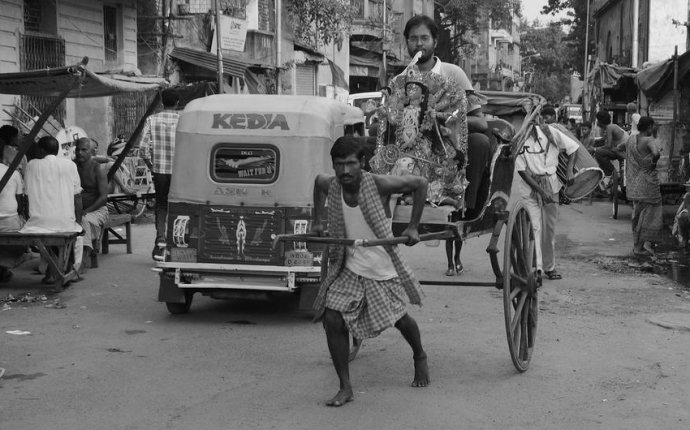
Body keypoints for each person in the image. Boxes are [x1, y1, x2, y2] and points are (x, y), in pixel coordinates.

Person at [311, 136, 429, 407]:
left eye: (351, 164)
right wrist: (317, 221)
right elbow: (317, 182)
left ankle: (419, 354)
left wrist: (413, 227)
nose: (345, 171)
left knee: (399, 320)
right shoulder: (332, 184)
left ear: (361, 163)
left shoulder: (379, 184)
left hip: (381, 266)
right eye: (339, 165)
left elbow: (420, 184)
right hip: (349, 264)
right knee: (333, 319)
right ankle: (345, 386)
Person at [515, 115, 579, 280]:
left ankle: (549, 267)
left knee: (549, 230)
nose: (532, 123)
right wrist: (540, 191)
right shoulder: (519, 140)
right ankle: (536, 268)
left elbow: (573, 148)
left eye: (534, 120)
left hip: (552, 185)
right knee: (535, 227)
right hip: (530, 188)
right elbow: (522, 171)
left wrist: (570, 170)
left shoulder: (549, 132)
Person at [20, 136, 83, 283]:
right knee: (68, 232)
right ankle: (63, 270)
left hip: (38, 222)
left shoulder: (31, 165)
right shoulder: (70, 165)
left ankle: (54, 270)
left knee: (45, 230)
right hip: (65, 221)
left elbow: (27, 196)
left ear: (41, 150)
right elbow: (77, 197)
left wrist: (27, 214)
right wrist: (78, 221)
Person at [140, 89, 180, 260]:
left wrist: (151, 164)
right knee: (178, 205)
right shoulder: (183, 119)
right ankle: (176, 241)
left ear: (162, 102)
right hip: (180, 171)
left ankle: (161, 239)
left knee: (161, 205)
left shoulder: (152, 119)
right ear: (178, 102)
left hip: (160, 171)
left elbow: (143, 147)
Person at [625, 116, 662, 256]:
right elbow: (656, 153)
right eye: (653, 126)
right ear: (649, 127)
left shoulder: (631, 139)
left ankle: (637, 245)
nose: (654, 129)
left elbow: (622, 148)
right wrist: (652, 162)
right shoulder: (649, 140)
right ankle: (639, 248)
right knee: (649, 214)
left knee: (638, 213)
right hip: (648, 184)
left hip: (635, 183)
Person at [75, 137, 109, 267]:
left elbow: (103, 198)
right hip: (76, 209)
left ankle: (82, 261)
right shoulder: (72, 167)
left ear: (92, 152)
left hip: (97, 210)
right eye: (77, 149)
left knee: (83, 220)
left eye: (84, 150)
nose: (79, 153)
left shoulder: (98, 169)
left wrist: (85, 211)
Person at [0, 155, 25, 282]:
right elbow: (20, 203)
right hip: (10, 222)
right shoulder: (14, 173)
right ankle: (3, 267)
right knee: (20, 241)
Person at [593, 110, 628, 177]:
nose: (597, 122)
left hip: (622, 152)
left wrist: (595, 149)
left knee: (598, 153)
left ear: (600, 121)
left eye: (598, 120)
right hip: (619, 150)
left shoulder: (609, 127)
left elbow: (608, 145)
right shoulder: (610, 127)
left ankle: (612, 172)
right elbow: (605, 140)